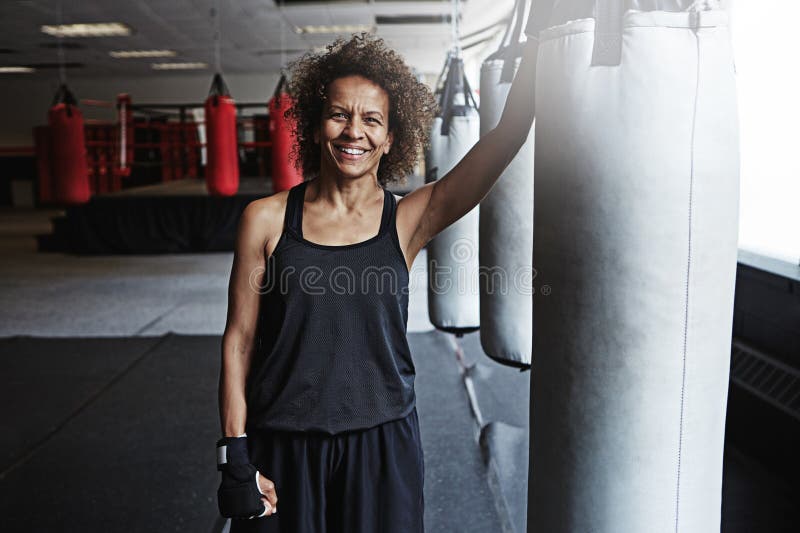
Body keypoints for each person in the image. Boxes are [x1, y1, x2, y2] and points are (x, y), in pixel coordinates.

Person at [216, 32, 537, 533]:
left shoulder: (408, 218)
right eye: (339, 114)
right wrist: (233, 451)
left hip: (382, 444)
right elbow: (239, 340)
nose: (354, 132)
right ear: (316, 123)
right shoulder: (265, 219)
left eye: (371, 120)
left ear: (390, 138)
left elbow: (502, 142)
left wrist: (537, 55)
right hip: (283, 442)